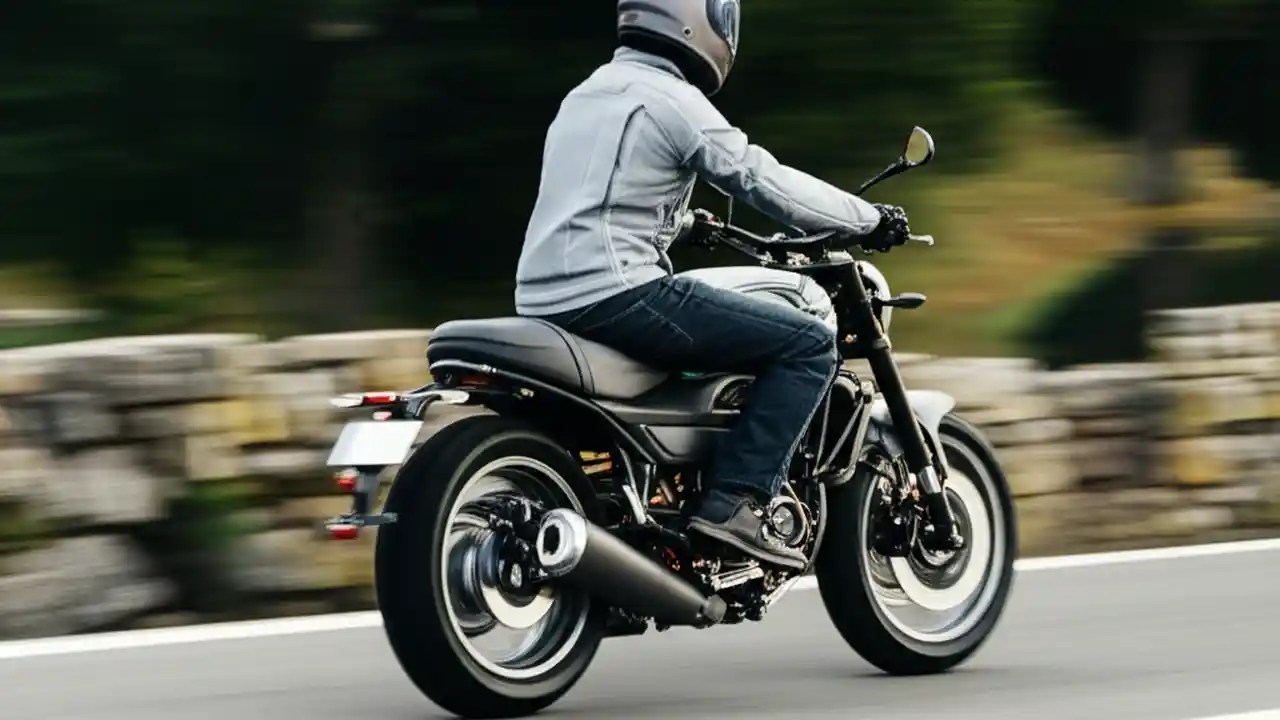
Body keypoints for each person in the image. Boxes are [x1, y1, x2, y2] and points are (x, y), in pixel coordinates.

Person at [514, 0, 912, 570]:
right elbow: (761, 179)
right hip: (618, 295)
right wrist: (866, 219)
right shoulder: (675, 100)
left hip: (543, 301)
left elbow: (596, 198)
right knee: (807, 345)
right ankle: (736, 502)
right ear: (693, 21)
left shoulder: (586, 94)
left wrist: (682, 222)